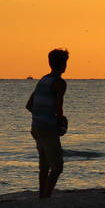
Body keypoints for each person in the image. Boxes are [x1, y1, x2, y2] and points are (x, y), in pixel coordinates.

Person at [24, 48, 69, 198]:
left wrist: (41, 115)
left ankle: (42, 195)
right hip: (47, 128)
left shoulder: (43, 80)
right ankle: (46, 195)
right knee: (57, 167)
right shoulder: (59, 83)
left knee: (44, 165)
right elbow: (59, 107)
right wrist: (59, 122)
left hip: (36, 127)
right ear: (63, 64)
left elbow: (29, 105)